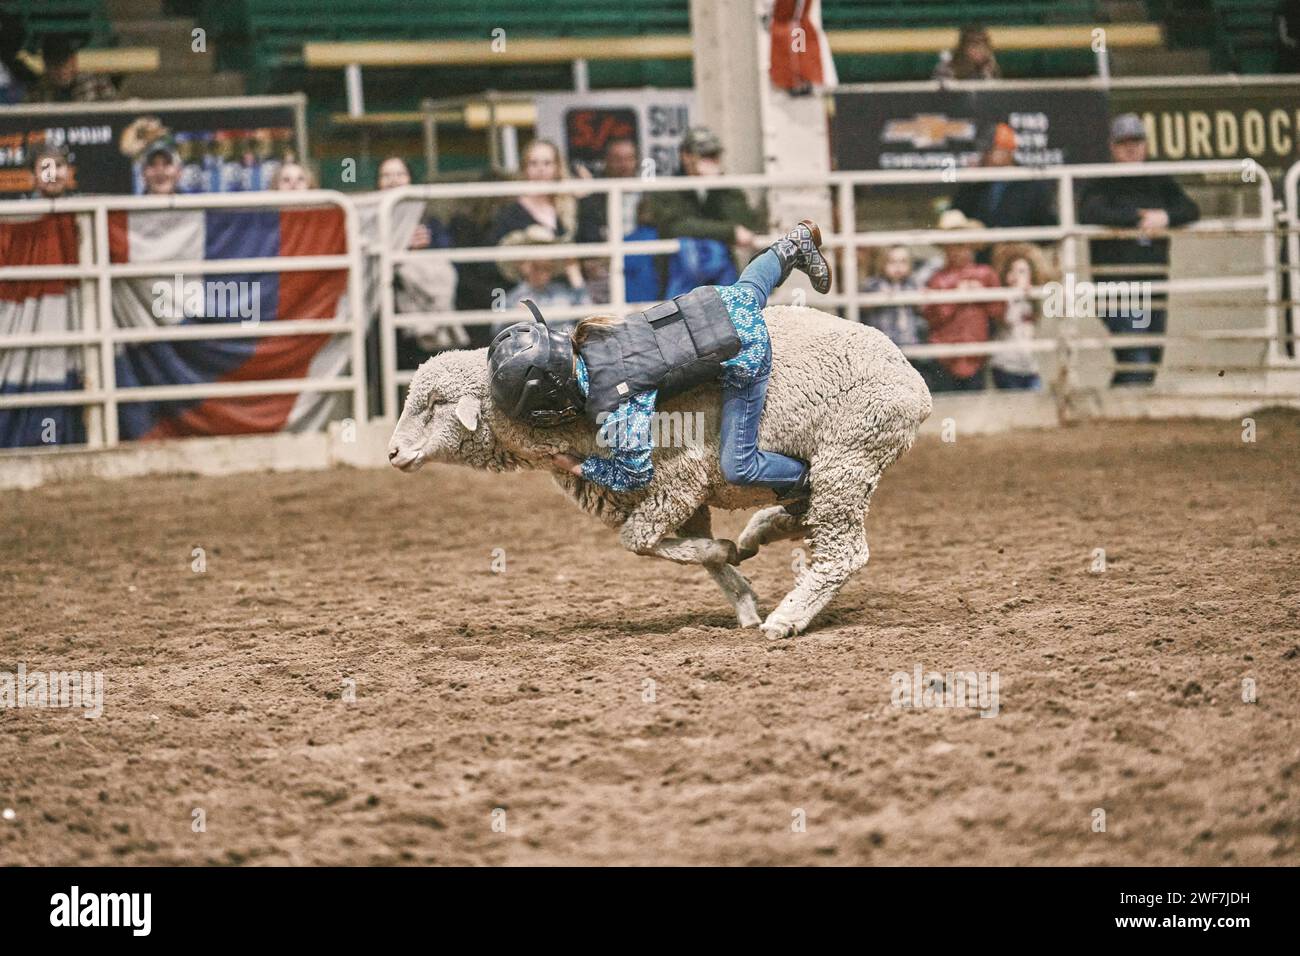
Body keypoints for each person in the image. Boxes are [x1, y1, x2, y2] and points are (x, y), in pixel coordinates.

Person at [486, 220, 834, 511]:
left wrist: (579, 465)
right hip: (714, 300)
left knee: (738, 466)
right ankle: (791, 245)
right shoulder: (591, 334)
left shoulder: (611, 404)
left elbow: (635, 475)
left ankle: (809, 481)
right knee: (747, 289)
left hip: (742, 349)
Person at [1078, 114, 1200, 386]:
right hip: (1117, 285)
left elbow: (1190, 208)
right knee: (1138, 357)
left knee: (1147, 358)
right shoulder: (1102, 180)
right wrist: (1136, 217)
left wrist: (1164, 217)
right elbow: (1089, 211)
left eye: (1136, 141)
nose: (1131, 148)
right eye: (1124, 142)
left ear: (1145, 145)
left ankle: (1116, 415)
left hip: (1153, 281)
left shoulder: (1157, 178)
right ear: (1113, 147)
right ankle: (1123, 417)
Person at [922, 210, 1004, 392]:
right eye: (951, 245)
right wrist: (955, 298)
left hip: (976, 353)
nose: (957, 250)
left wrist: (984, 295)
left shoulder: (985, 274)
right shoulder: (937, 279)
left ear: (971, 245)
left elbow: (999, 311)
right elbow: (932, 317)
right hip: (945, 355)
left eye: (961, 244)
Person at [951, 123, 1056, 263]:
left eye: (990, 150)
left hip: (1020, 264)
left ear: (1007, 151)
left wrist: (1021, 244)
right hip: (982, 263)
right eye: (984, 151)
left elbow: (1049, 229)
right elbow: (956, 215)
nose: (984, 156)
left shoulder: (1030, 184)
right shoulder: (974, 184)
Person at [492, 225, 590, 338]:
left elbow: (588, 316)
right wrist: (513, 317)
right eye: (536, 266)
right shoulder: (512, 297)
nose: (542, 273)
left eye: (547, 268)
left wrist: (575, 275)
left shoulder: (562, 292)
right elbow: (496, 330)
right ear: (522, 265)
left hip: (566, 346)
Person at [989, 242, 1055, 391]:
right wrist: (1017, 295)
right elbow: (1008, 319)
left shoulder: (1033, 301)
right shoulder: (1004, 298)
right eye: (1011, 271)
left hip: (1029, 366)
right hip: (1006, 365)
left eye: (1022, 272)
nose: (1016, 276)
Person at [490, 139, 577, 245]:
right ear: (525, 169)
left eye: (547, 163)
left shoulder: (573, 205)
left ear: (557, 168)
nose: (540, 169)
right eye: (533, 163)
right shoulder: (509, 213)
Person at [860, 245, 926, 348]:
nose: (898, 266)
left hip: (908, 339)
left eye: (903, 262)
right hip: (883, 340)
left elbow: (921, 305)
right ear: (882, 264)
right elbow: (864, 305)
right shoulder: (874, 284)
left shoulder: (912, 283)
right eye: (892, 262)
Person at [26, 34, 117, 103]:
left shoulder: (98, 83)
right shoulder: (37, 91)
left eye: (64, 63)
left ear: (74, 61)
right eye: (55, 65)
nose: (61, 70)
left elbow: (116, 116)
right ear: (46, 66)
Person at [933, 24, 1000, 81]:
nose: (980, 50)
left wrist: (988, 74)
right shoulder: (946, 68)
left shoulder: (989, 67)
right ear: (963, 48)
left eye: (985, 45)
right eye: (974, 45)